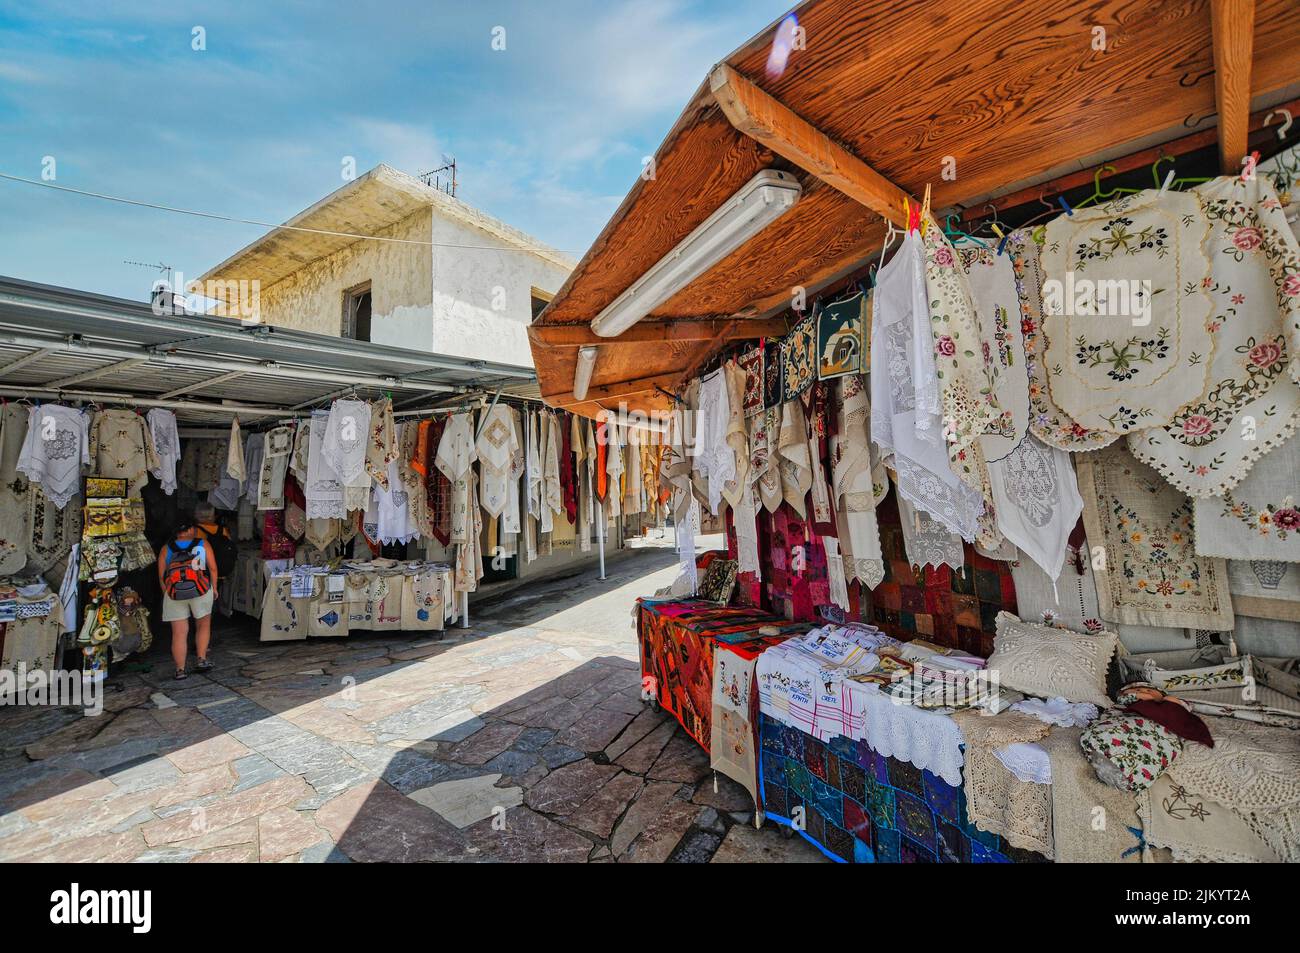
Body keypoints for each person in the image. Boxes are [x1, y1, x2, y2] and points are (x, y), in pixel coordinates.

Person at [157, 522, 218, 679]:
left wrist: (167, 593)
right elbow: (212, 568)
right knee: (203, 625)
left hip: (174, 593)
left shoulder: (166, 548)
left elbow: (162, 575)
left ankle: (180, 670)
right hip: (201, 590)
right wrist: (214, 588)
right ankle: (201, 659)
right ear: (190, 530)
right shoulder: (203, 544)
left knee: (178, 633)